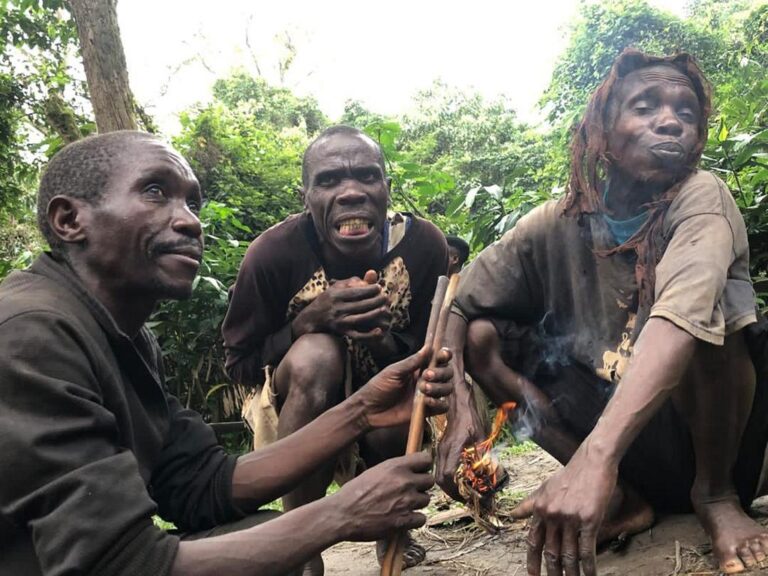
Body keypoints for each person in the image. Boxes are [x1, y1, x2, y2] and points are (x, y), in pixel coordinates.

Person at [0, 131, 454, 576]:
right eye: (156, 192)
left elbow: (199, 484)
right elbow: (119, 562)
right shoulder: (30, 334)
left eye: (192, 203)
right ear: (69, 220)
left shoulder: (128, 337)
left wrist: (361, 410)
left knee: (282, 548)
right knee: (287, 549)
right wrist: (340, 514)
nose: (189, 221)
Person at [435, 49, 768, 576]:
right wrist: (460, 412)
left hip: (707, 440)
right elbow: (459, 304)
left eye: (686, 112)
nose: (670, 121)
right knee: (481, 336)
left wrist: (598, 458)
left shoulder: (702, 198)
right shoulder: (555, 223)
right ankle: (623, 500)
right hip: (620, 452)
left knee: (716, 317)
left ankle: (716, 497)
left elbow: (677, 322)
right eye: (645, 106)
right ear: (602, 133)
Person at [222, 126, 448, 574]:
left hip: (386, 408)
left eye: (367, 176)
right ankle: (302, 545)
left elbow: (431, 357)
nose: (350, 193)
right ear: (305, 195)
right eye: (328, 181)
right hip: (303, 410)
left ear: (386, 186)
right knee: (316, 356)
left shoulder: (424, 247)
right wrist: (308, 321)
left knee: (400, 394)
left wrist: (380, 337)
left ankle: (391, 532)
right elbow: (240, 365)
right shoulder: (273, 254)